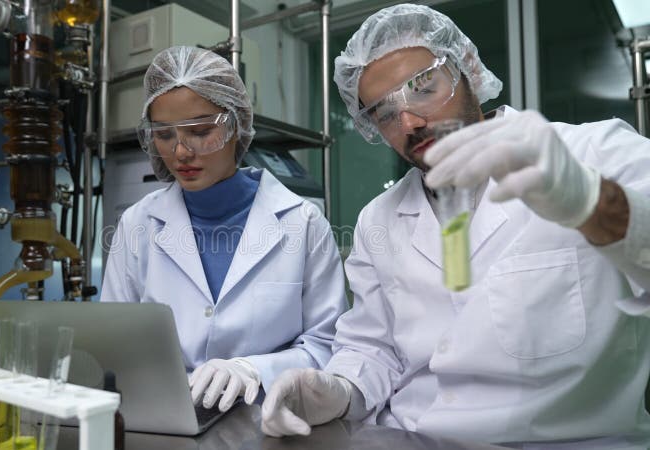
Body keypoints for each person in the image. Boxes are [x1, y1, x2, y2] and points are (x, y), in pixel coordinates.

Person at [260, 4, 650, 448]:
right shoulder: (379, 218)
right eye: (385, 114)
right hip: (409, 437)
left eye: (423, 88)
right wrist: (337, 390)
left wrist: (591, 201)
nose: (409, 121)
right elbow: (373, 348)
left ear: (466, 68)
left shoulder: (594, 152)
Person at [100, 46, 347, 413]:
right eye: (165, 135)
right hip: (169, 419)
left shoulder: (303, 222)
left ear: (236, 125)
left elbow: (330, 347)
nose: (181, 152)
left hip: (270, 419)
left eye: (200, 131)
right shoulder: (137, 224)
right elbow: (113, 342)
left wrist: (254, 369)